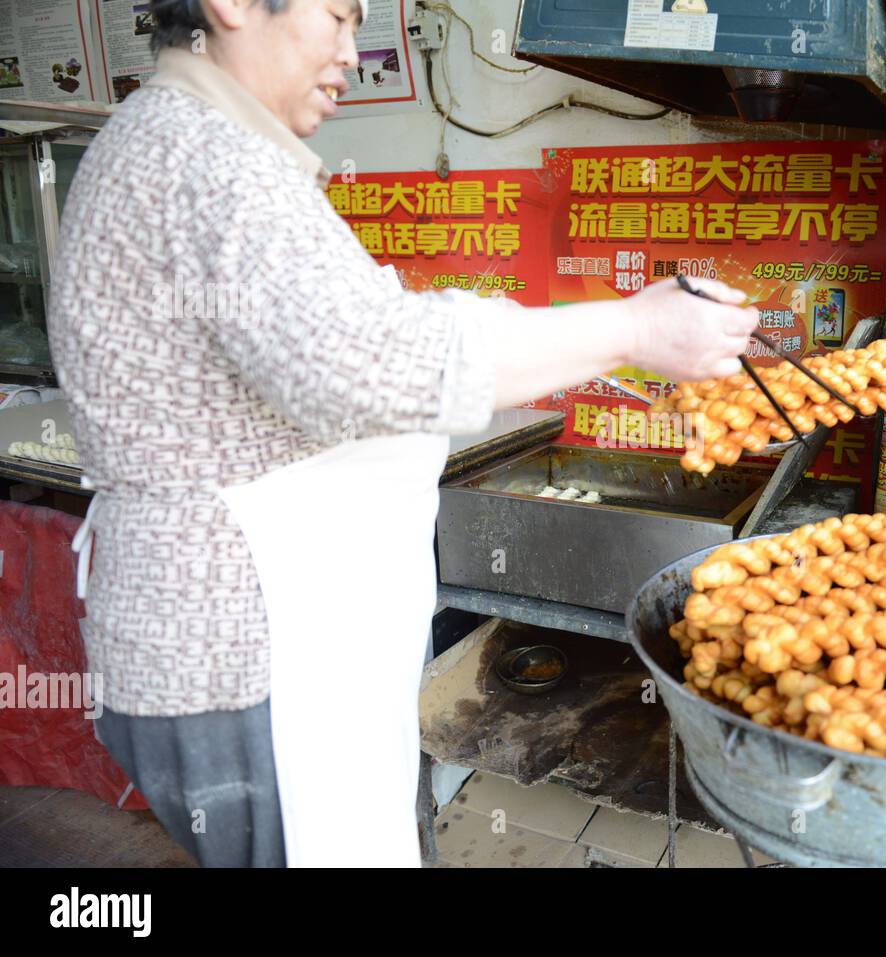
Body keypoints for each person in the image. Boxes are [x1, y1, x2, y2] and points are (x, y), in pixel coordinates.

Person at [47, 0, 757, 867]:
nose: (353, 50)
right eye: (340, 15)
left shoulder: (173, 134)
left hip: (220, 641)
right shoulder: (205, 153)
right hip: (244, 652)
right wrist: (634, 330)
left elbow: (336, 335)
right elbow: (364, 362)